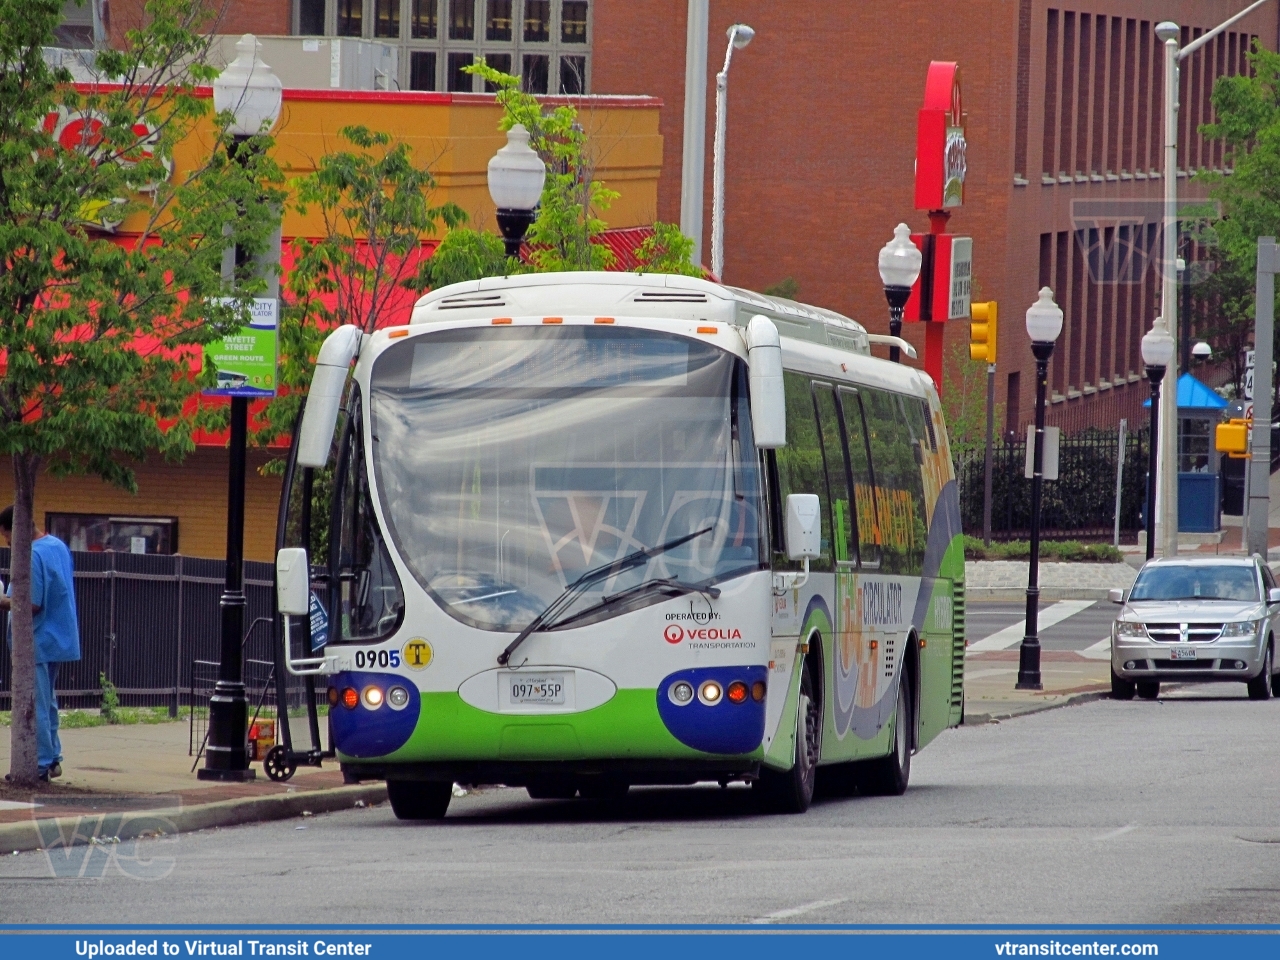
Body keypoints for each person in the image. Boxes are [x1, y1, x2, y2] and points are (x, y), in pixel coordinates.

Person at [1, 506, 80, 781]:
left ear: (16, 530)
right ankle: (53, 756)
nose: (8, 544)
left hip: (38, 637)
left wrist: (2, 601)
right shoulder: (57, 546)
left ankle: (41, 762)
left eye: (7, 536)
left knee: (36, 703)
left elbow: (30, 603)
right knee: (48, 701)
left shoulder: (31, 554)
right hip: (58, 635)